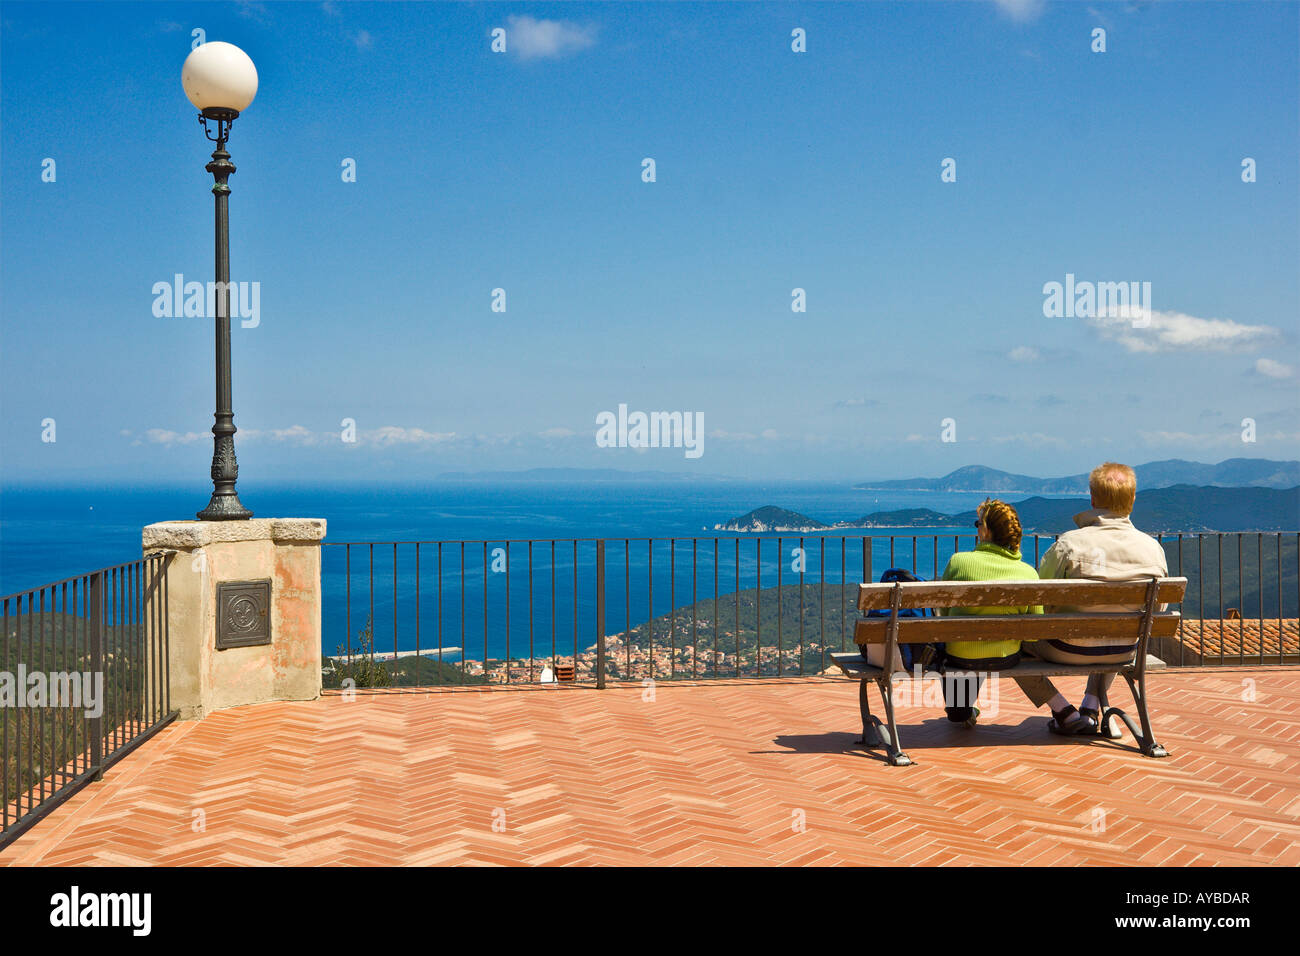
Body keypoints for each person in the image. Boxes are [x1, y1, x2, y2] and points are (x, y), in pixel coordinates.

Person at [1014, 462, 1169, 735]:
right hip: (1124, 650)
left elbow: (1039, 599)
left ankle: (1062, 710)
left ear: (1093, 499)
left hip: (1064, 650)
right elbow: (1160, 607)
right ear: (1132, 500)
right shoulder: (1152, 549)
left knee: (1010, 647)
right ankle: (1091, 704)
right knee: (1114, 624)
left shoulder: (1069, 544)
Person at [936, 499, 1042, 725]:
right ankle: (962, 708)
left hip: (961, 657)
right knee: (990, 643)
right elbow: (1034, 632)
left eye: (978, 524)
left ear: (985, 531)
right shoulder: (1028, 573)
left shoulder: (958, 562)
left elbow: (942, 614)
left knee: (965, 646)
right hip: (1006, 657)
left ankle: (960, 708)